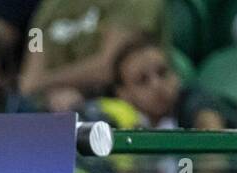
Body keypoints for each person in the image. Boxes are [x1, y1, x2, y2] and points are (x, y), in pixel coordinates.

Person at [100, 36, 237, 173]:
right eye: (143, 81)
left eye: (163, 73)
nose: (157, 85)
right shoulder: (120, 123)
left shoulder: (193, 102)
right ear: (122, 93)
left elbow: (215, 154)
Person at [19, 0, 166, 112]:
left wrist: (43, 82)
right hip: (50, 101)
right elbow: (36, 34)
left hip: (113, 101)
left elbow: (110, 66)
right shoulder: (51, 4)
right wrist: (37, 82)